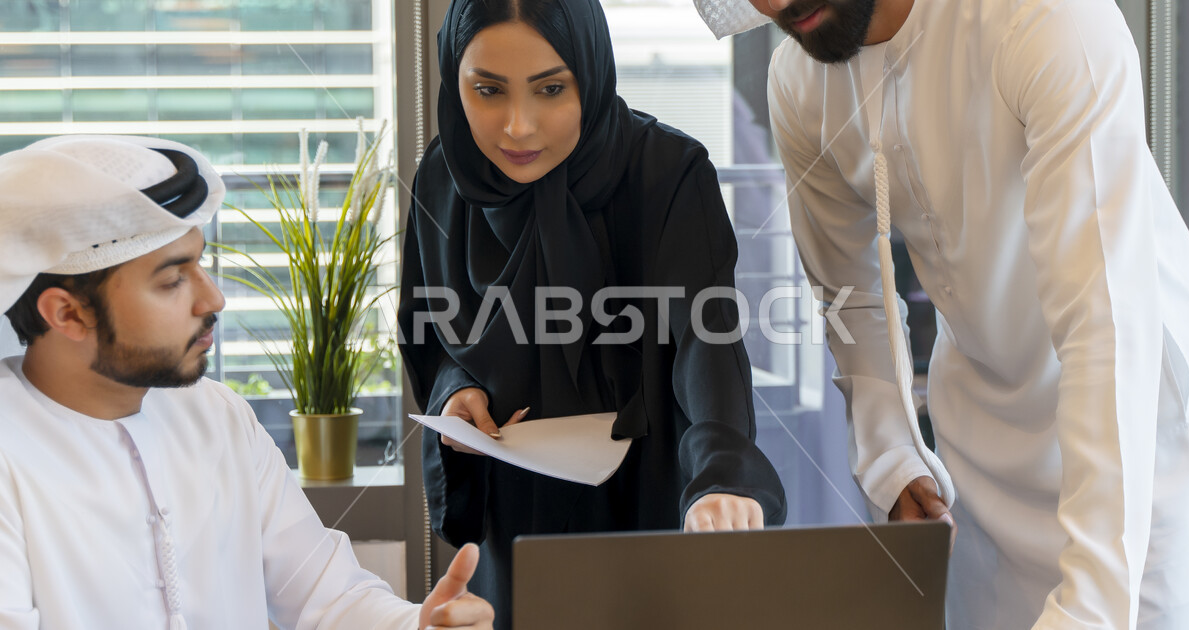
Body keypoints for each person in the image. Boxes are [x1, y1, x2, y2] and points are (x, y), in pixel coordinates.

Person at [691, 0, 1189, 627]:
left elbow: (1105, 325)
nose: (773, 3)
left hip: (1139, 453)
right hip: (979, 461)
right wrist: (891, 457)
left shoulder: (1046, 20)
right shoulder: (797, 82)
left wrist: (1093, 605)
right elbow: (851, 299)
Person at [396, 0, 789, 627]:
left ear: (591, 70)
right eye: (488, 90)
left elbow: (706, 339)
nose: (518, 127)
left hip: (646, 496)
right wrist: (456, 389)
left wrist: (723, 473)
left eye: (551, 88)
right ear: (455, 79)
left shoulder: (666, 173)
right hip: (516, 512)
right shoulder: (448, 177)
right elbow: (434, 331)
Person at [0, 135, 495, 630]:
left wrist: (420, 626)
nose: (212, 299)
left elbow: (328, 598)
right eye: (173, 281)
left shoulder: (217, 413)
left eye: (201, 264)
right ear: (67, 313)